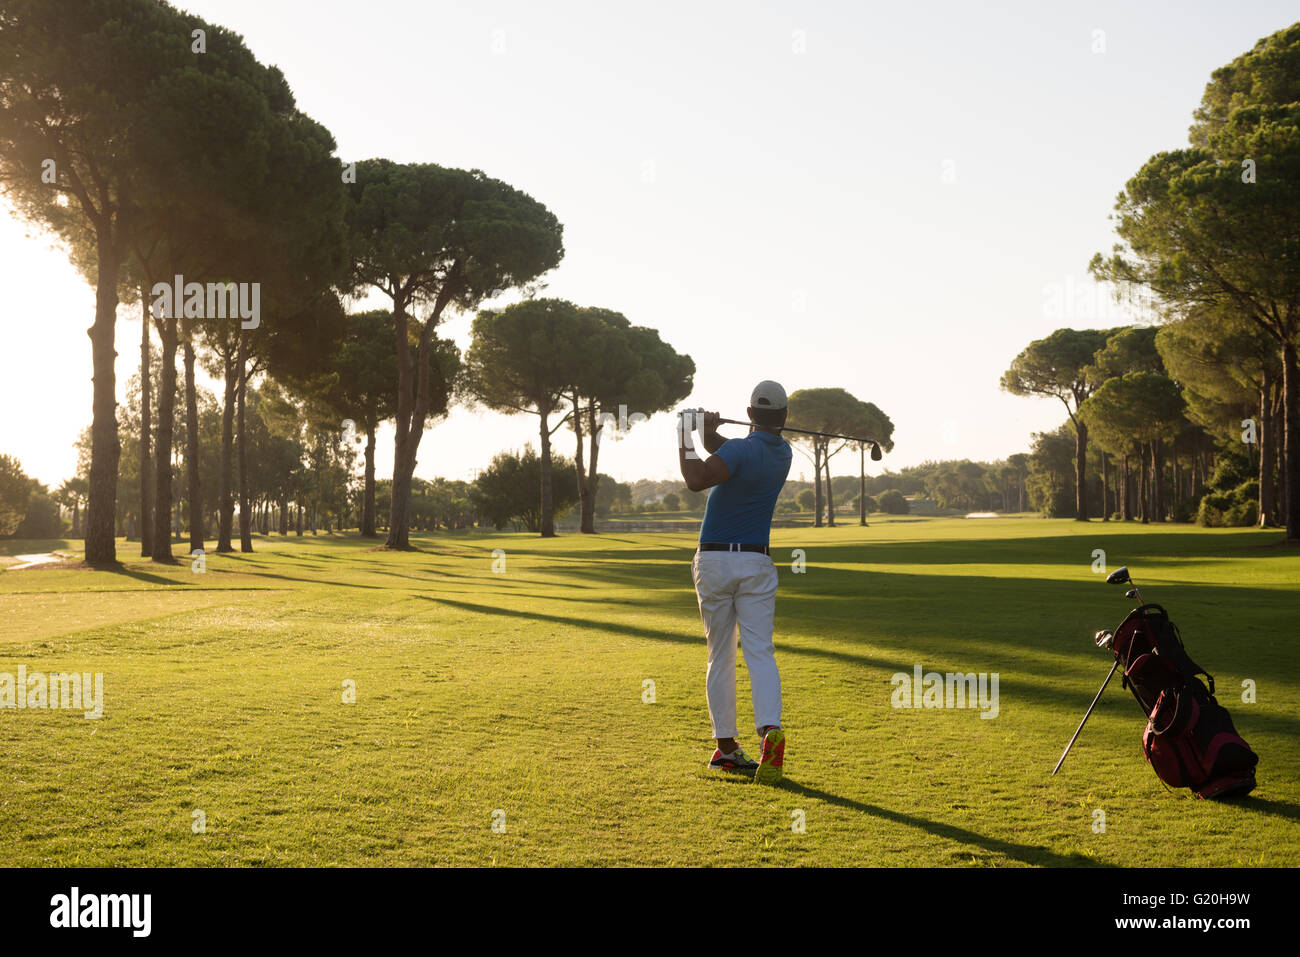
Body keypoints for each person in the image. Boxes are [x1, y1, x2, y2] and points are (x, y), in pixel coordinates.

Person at [677, 380, 793, 785]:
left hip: (714, 560)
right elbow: (728, 455)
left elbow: (697, 478)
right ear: (785, 417)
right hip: (756, 561)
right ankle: (769, 731)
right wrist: (708, 434)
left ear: (748, 414)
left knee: (720, 655)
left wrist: (685, 435)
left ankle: (726, 749)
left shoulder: (740, 450)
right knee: (760, 650)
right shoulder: (782, 453)